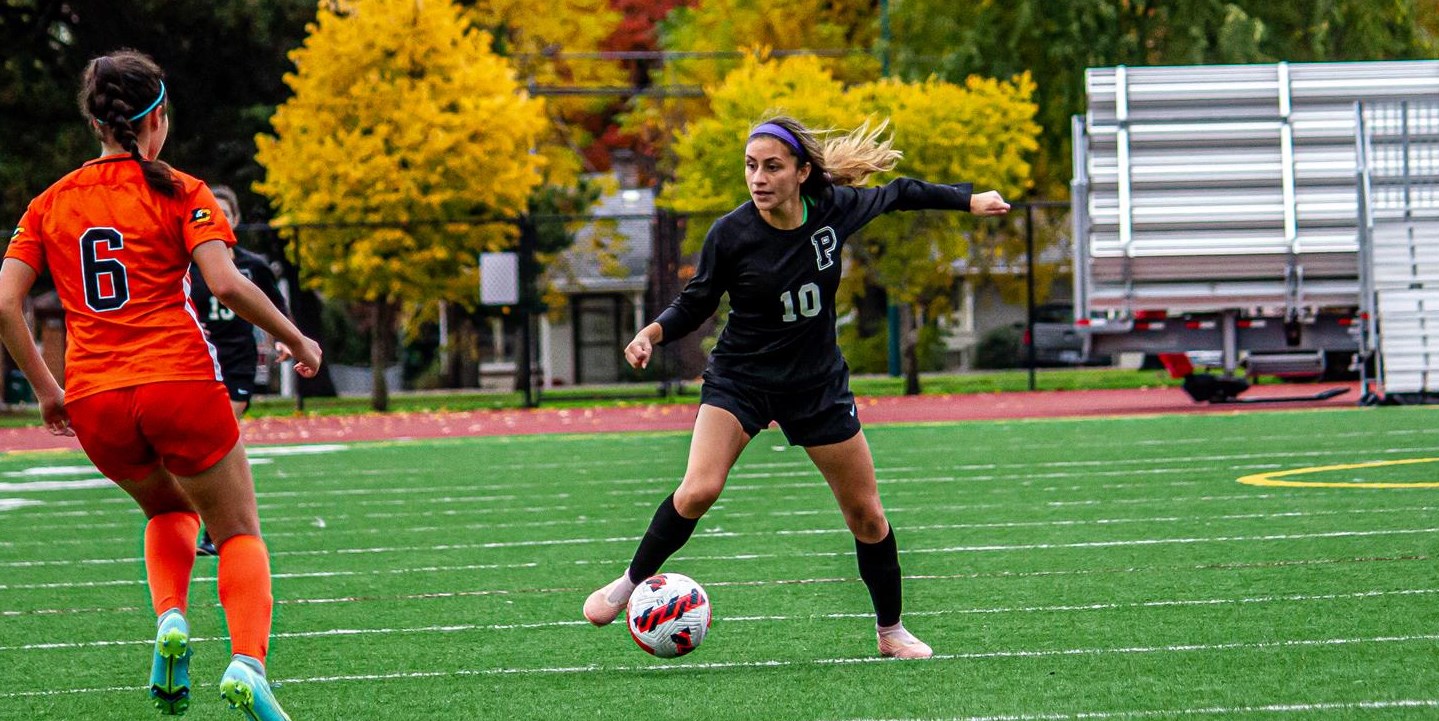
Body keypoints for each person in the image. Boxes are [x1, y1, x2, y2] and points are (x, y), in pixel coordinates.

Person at [583, 116, 1011, 659]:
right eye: (750, 166)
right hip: (742, 380)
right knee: (699, 489)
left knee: (867, 515)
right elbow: (697, 301)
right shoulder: (731, 234)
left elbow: (900, 192)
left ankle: (891, 632)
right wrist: (652, 332)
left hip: (816, 386)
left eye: (772, 167)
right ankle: (627, 585)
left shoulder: (833, 209)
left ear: (803, 172)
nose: (758, 178)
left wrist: (968, 201)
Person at [0, 50, 320, 719]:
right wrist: (294, 338)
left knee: (168, 510)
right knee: (236, 532)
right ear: (157, 120)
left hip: (94, 398)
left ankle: (172, 619)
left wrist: (46, 388)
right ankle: (248, 664)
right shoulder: (181, 191)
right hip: (178, 382)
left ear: (97, 124)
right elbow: (226, 282)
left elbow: (4, 303)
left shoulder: (49, 203)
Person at [188, 185, 288, 557]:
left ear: (236, 218)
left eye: (226, 211)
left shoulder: (252, 265)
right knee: (205, 443)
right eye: (213, 210)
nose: (220, 217)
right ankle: (214, 524)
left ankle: (220, 527)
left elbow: (275, 307)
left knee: (221, 433)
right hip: (198, 360)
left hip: (237, 359)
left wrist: (285, 338)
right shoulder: (189, 263)